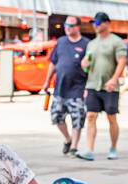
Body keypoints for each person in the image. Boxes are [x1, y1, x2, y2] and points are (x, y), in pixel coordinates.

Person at [75, 12, 127, 162]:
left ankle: (113, 148)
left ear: (106, 23)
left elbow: (122, 61)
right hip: (92, 84)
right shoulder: (91, 44)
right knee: (91, 116)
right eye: (94, 23)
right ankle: (89, 150)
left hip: (110, 86)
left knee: (111, 118)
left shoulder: (116, 41)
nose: (95, 26)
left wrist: (114, 79)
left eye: (98, 23)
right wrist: (84, 64)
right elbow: (87, 64)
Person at [41, 16, 88, 155]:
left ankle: (74, 146)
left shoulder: (86, 44)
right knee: (56, 117)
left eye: (71, 25)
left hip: (78, 88)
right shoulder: (61, 42)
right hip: (60, 88)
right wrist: (47, 81)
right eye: (65, 24)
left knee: (77, 118)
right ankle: (67, 139)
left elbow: (91, 67)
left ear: (78, 27)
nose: (67, 27)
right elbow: (53, 62)